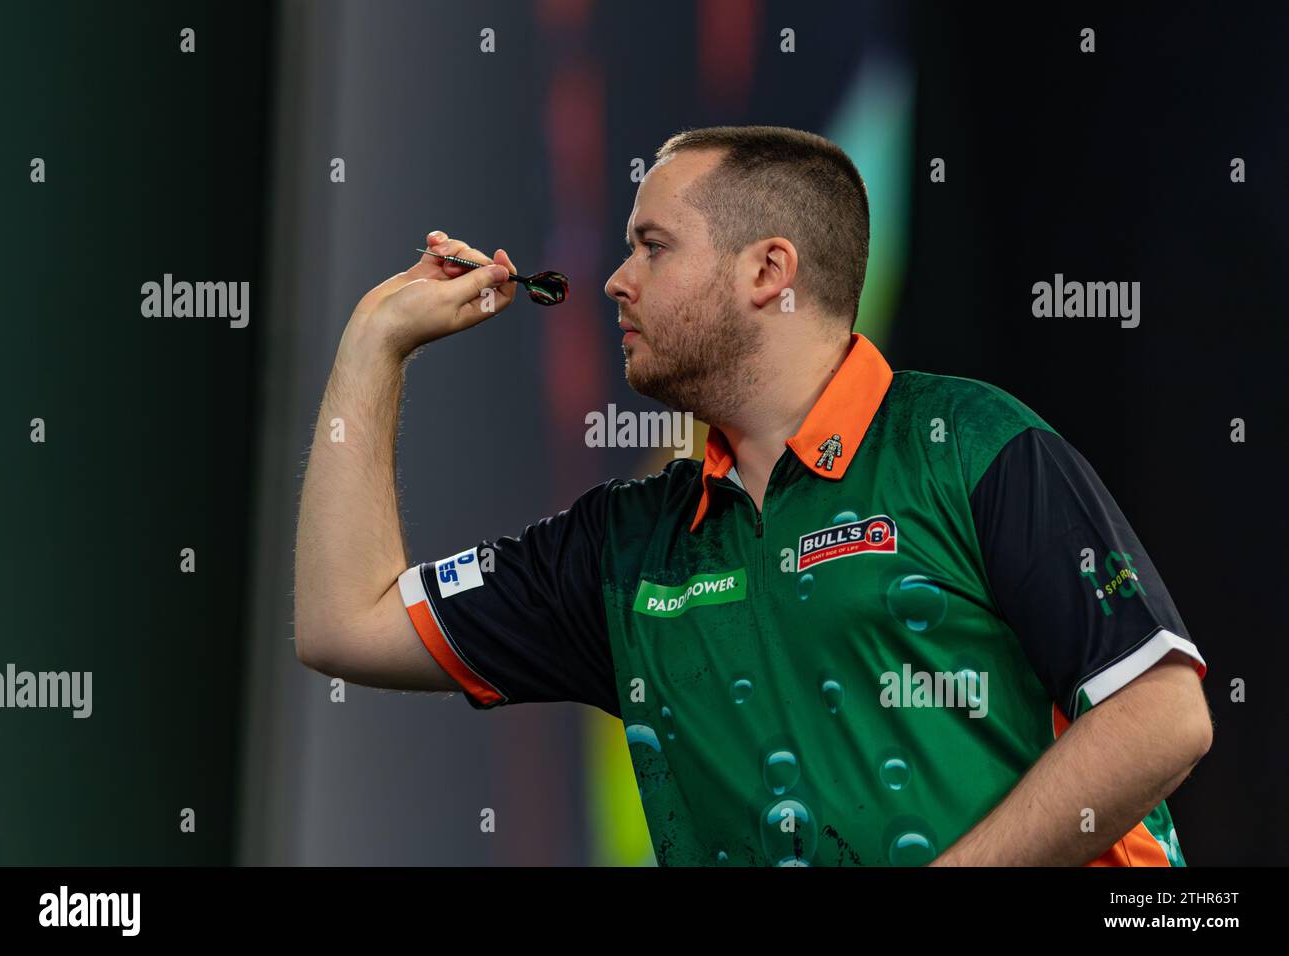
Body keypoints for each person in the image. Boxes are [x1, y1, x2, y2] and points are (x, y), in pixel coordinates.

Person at [294, 125, 1211, 867]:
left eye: (653, 246)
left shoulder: (969, 442)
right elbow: (345, 623)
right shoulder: (624, 550)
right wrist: (375, 344)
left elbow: (1162, 714)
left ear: (769, 272)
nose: (617, 280)